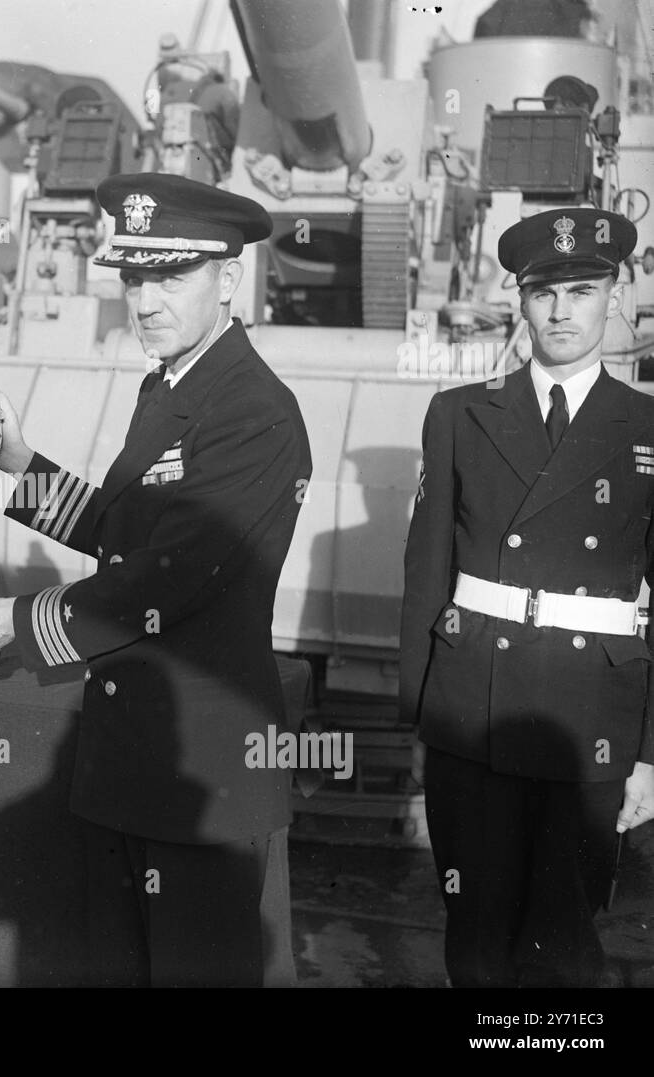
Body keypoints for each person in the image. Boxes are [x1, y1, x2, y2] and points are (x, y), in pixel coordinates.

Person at [0, 173, 313, 986]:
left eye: (170, 277)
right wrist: (17, 461)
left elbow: (163, 579)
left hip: (200, 778)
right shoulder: (171, 385)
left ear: (230, 278)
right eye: (134, 277)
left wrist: (15, 619)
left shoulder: (253, 412)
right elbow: (120, 530)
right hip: (134, 765)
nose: (144, 301)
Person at [401, 207, 654, 987]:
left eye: (582, 290)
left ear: (614, 295)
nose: (562, 311)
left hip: (591, 723)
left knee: (565, 942)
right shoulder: (460, 414)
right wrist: (423, 718)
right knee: (476, 937)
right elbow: (424, 576)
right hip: (473, 710)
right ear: (521, 299)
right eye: (545, 292)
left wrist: (649, 750)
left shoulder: (646, 426)